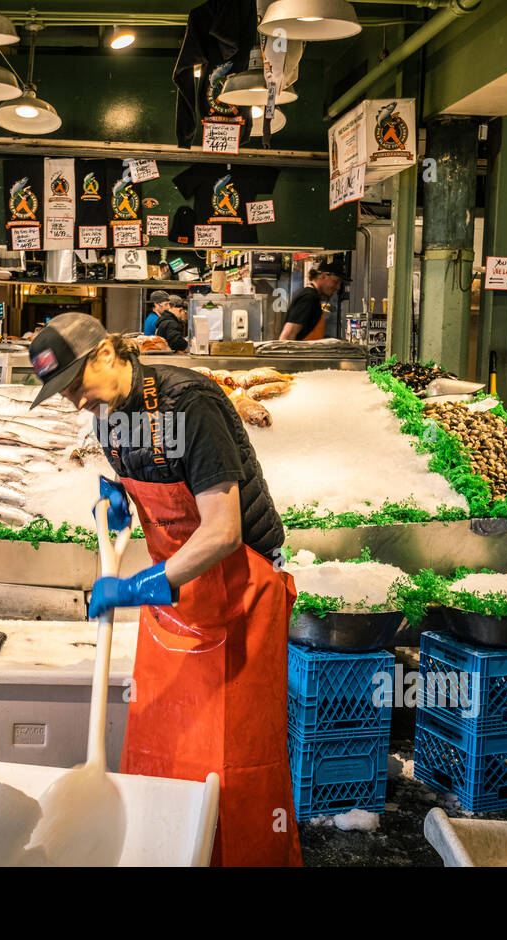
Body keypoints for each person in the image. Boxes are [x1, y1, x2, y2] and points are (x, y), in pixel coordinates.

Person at [27, 313, 301, 867]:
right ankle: (172, 850)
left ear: (109, 353)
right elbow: (141, 473)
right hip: (177, 600)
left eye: (77, 384)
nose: (76, 401)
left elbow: (222, 531)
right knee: (163, 742)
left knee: (235, 757)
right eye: (63, 393)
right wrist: (119, 491)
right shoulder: (107, 413)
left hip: (239, 592)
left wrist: (138, 587)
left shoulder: (187, 404)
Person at [279, 263, 343, 341]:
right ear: (322, 276)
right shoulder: (308, 297)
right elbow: (287, 336)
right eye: (336, 282)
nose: (338, 287)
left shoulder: (313, 297)